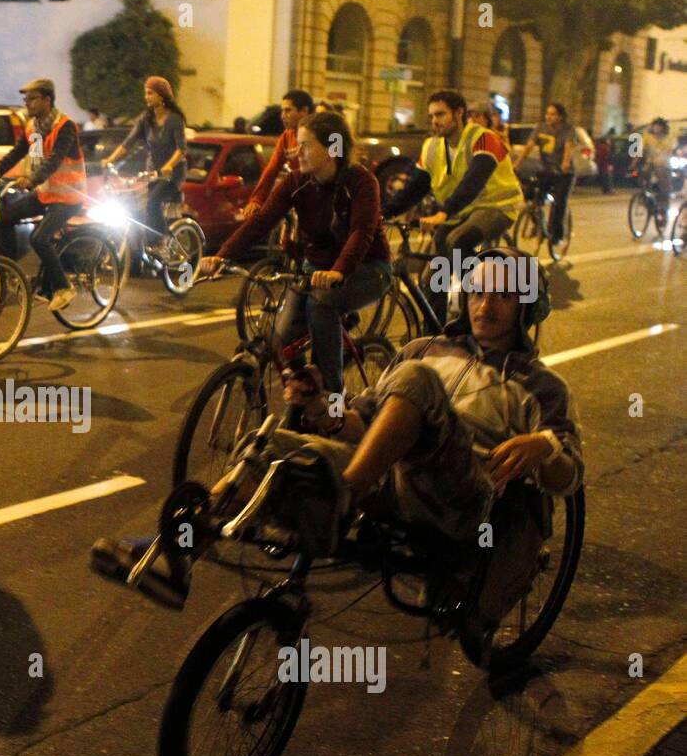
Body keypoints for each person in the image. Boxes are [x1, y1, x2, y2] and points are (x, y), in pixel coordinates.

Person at [93, 248, 583, 658]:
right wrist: (319, 407)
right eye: (478, 291)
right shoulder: (422, 348)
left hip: (461, 495)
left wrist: (542, 447)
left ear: (526, 305)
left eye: (502, 294)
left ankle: (342, 498)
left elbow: (569, 477)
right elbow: (361, 420)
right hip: (389, 482)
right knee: (273, 441)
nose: (485, 305)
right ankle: (178, 552)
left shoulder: (543, 386)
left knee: (418, 383)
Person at [195, 111, 393, 396]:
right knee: (282, 341)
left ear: (332, 149)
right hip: (315, 269)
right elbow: (262, 221)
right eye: (297, 144)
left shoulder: (361, 182)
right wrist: (223, 255)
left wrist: (339, 271)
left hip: (367, 268)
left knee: (321, 304)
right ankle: (304, 399)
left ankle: (331, 398)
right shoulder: (296, 181)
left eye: (306, 145)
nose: (296, 152)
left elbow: (361, 232)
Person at [382, 89, 524, 325]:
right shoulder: (431, 146)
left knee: (458, 241)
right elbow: (415, 187)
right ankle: (433, 330)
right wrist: (385, 212)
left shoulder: (483, 138)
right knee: (438, 261)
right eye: (431, 116)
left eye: (440, 115)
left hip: (498, 207)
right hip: (461, 211)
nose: (435, 121)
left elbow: (474, 180)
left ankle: (473, 317)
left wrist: (444, 212)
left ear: (459, 113)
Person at [0, 77, 88, 312]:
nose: (27, 104)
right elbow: (16, 154)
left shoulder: (65, 126)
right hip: (45, 193)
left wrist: (32, 179)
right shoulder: (32, 127)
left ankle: (64, 288)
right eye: (25, 99)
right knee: (1, 218)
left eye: (32, 99)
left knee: (38, 239)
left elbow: (54, 160)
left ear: (47, 99)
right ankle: (10, 273)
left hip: (68, 197)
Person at [102, 76, 187, 254]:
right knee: (131, 205)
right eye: (145, 93)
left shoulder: (174, 120)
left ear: (162, 96)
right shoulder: (146, 119)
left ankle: (160, 243)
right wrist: (110, 159)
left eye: (150, 93)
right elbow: (128, 143)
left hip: (172, 174)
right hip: (152, 172)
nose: (146, 97)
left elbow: (181, 150)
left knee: (152, 202)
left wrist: (169, 166)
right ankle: (138, 251)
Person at [240, 89, 313, 221]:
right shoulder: (286, 136)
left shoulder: (325, 134)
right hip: (298, 196)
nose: (282, 116)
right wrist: (256, 199)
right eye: (282, 111)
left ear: (304, 111)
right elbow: (271, 169)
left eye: (288, 110)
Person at [515, 102, 577, 245]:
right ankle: (538, 224)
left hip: (564, 174)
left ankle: (557, 236)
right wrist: (517, 164)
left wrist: (566, 162)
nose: (549, 117)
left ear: (560, 117)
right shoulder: (540, 128)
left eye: (553, 114)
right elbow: (529, 146)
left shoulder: (568, 129)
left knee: (559, 203)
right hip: (546, 171)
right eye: (547, 113)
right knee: (529, 195)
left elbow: (569, 147)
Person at [638, 117, 677, 221]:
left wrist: (662, 159)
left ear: (663, 128)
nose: (657, 128)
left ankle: (663, 212)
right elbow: (640, 151)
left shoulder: (669, 138)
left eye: (659, 126)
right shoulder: (647, 136)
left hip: (664, 166)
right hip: (651, 165)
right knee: (642, 176)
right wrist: (634, 163)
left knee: (664, 188)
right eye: (655, 126)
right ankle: (644, 198)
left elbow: (669, 151)